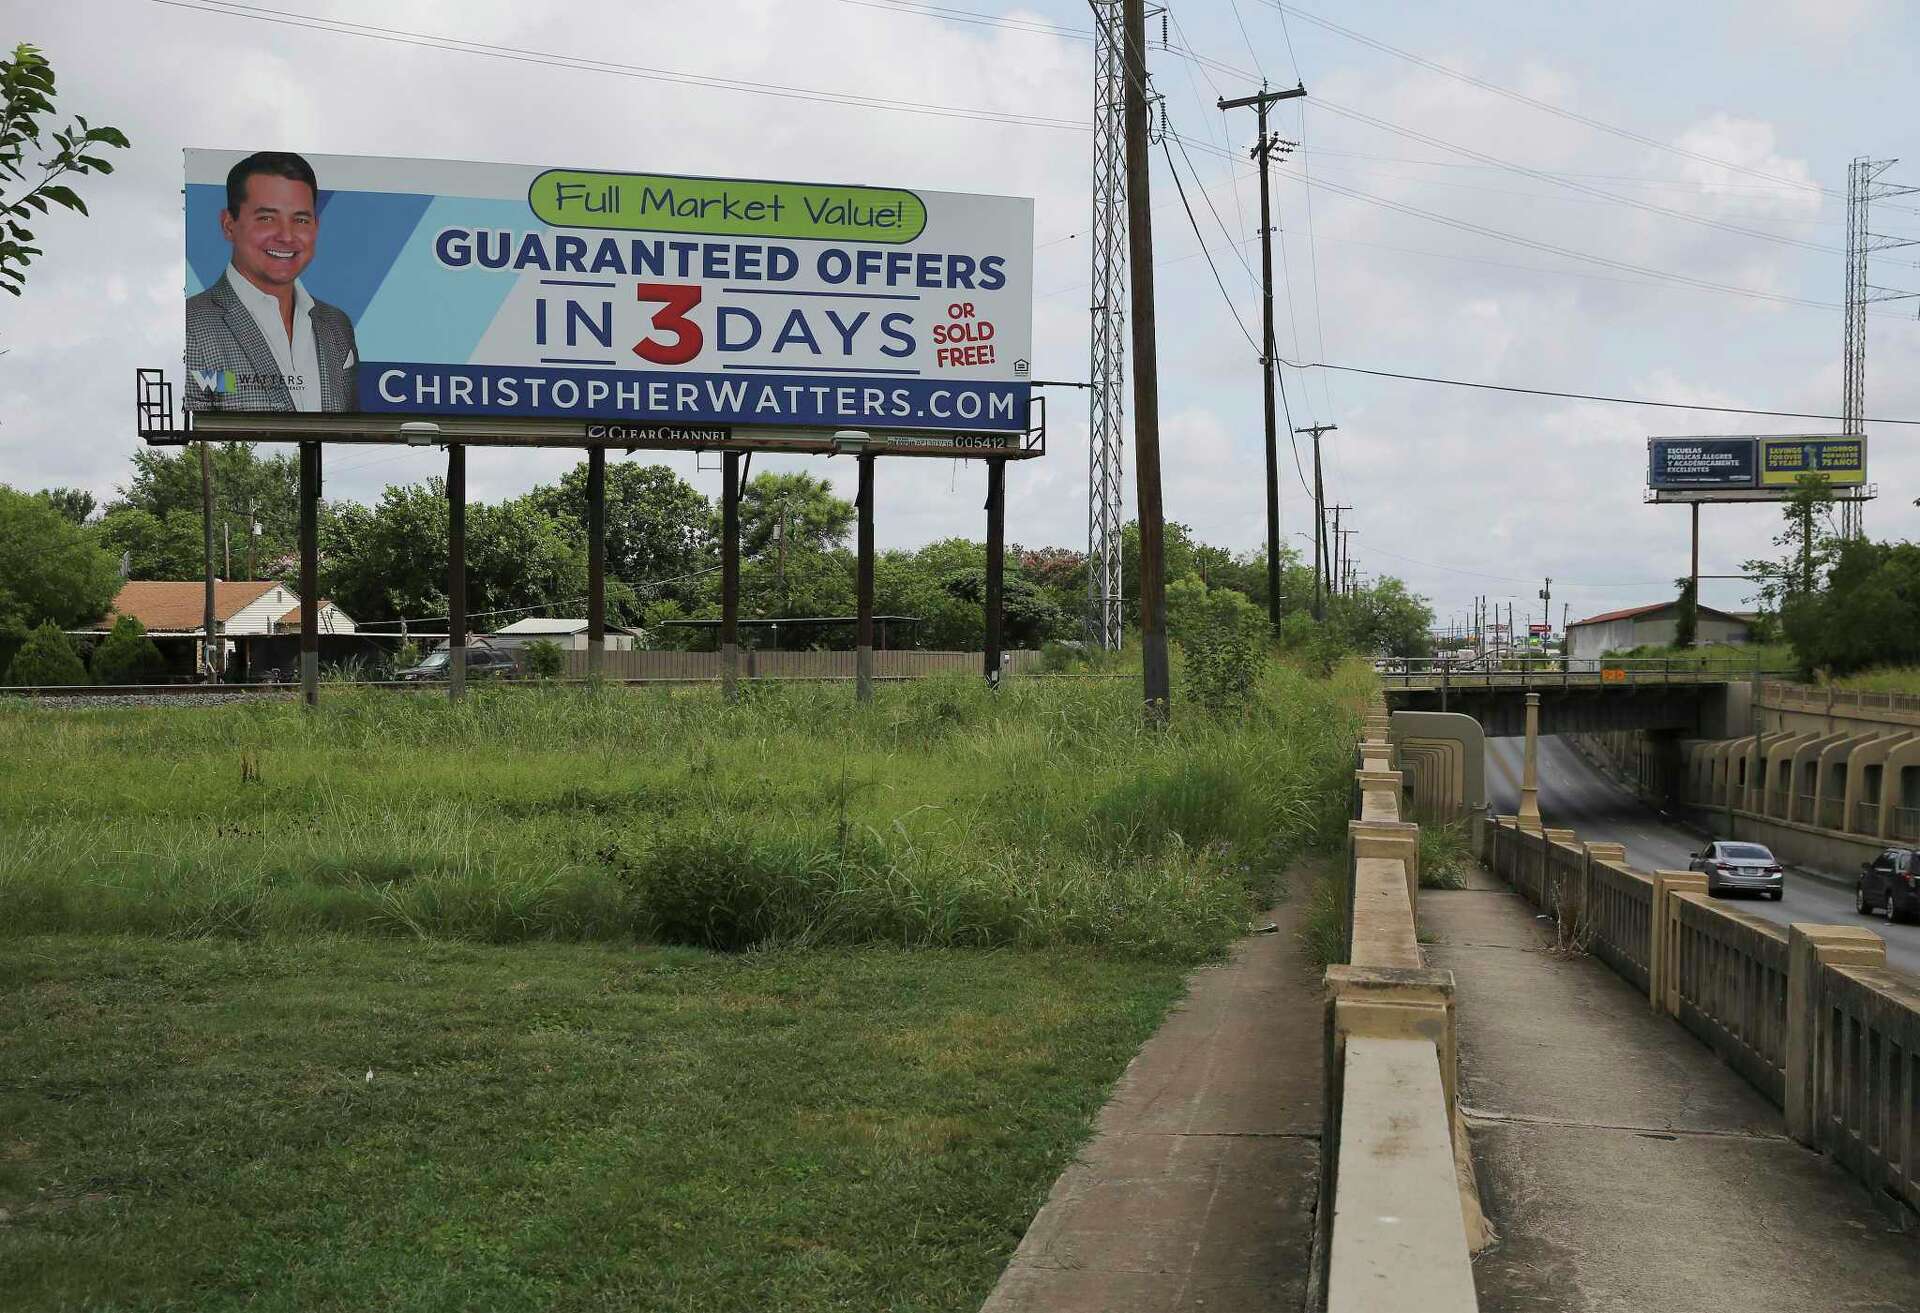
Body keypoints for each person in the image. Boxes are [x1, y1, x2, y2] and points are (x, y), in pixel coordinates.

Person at [185, 151, 357, 412]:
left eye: (300, 220)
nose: (286, 236)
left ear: (316, 226)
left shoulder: (336, 325)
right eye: (267, 218)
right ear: (228, 224)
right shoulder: (193, 326)